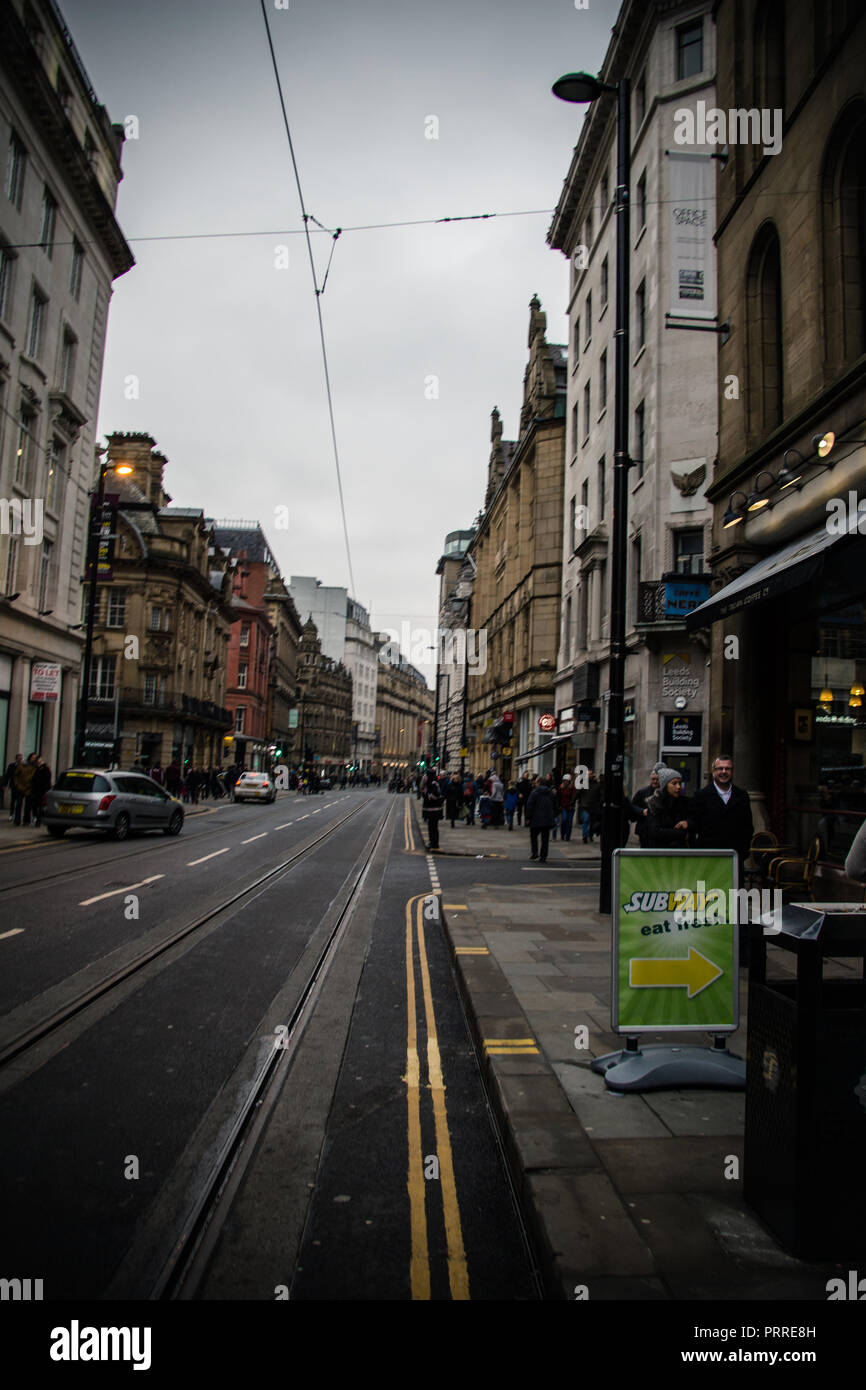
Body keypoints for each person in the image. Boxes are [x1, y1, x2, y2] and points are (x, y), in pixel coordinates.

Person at [691, 755, 754, 878]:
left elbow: (747, 827)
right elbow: (696, 825)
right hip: (709, 859)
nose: (724, 772)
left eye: (727, 769)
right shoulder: (701, 796)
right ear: (714, 771)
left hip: (734, 858)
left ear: (732, 771)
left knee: (734, 895)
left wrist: (742, 852)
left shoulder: (742, 796)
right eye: (720, 769)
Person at [646, 767, 694, 847]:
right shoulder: (654, 804)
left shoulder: (685, 802)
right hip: (661, 851)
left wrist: (688, 823)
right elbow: (655, 832)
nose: (678, 787)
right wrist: (681, 834)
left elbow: (696, 820)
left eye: (680, 783)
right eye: (674, 783)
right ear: (665, 786)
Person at [526, 773, 557, 862]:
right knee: (545, 839)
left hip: (536, 819)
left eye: (536, 782)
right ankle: (543, 856)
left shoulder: (534, 792)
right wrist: (553, 815)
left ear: (539, 783)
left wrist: (528, 817)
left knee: (533, 836)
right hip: (547, 819)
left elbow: (530, 805)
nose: (535, 784)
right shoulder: (550, 793)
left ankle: (535, 852)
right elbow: (555, 805)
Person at [628, 769, 660, 846]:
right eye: (653, 779)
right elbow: (632, 807)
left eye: (657, 779)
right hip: (644, 829)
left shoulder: (663, 792)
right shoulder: (642, 792)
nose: (655, 781)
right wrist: (642, 811)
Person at [422, 769, 444, 850]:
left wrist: (428, 795)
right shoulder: (429, 783)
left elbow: (436, 795)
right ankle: (432, 842)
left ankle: (435, 843)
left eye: (427, 775)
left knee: (433, 827)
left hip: (434, 810)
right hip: (430, 809)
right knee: (431, 827)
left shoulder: (434, 784)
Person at [579, 769, 602, 843]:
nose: (589, 776)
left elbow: (600, 795)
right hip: (585, 806)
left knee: (592, 822)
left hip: (594, 806)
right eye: (588, 774)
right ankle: (584, 836)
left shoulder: (597, 784)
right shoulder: (583, 783)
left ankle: (590, 835)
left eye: (590, 774)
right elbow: (578, 792)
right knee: (585, 820)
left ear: (593, 775)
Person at [30, 757, 52, 827]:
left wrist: (45, 789)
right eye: (37, 762)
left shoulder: (45, 769)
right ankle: (36, 818)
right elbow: (34, 779)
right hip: (36, 790)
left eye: (39, 762)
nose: (38, 763)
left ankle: (38, 820)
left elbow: (47, 780)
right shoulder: (36, 769)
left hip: (42, 790)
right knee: (34, 805)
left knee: (40, 806)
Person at [558, 773, 576, 841]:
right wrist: (559, 805)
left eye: (567, 780)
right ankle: (562, 834)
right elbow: (558, 797)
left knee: (569, 822)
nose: (565, 782)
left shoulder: (572, 788)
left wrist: (572, 803)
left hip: (570, 807)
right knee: (564, 820)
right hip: (563, 807)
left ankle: (568, 836)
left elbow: (574, 796)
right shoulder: (561, 787)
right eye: (564, 780)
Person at [5, 754, 24, 822]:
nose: (20, 760)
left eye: (21, 759)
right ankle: (11, 814)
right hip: (14, 786)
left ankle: (17, 816)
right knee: (13, 801)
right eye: (19, 758)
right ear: (16, 759)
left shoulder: (24, 766)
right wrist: (5, 784)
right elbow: (8, 775)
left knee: (19, 802)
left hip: (21, 787)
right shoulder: (12, 766)